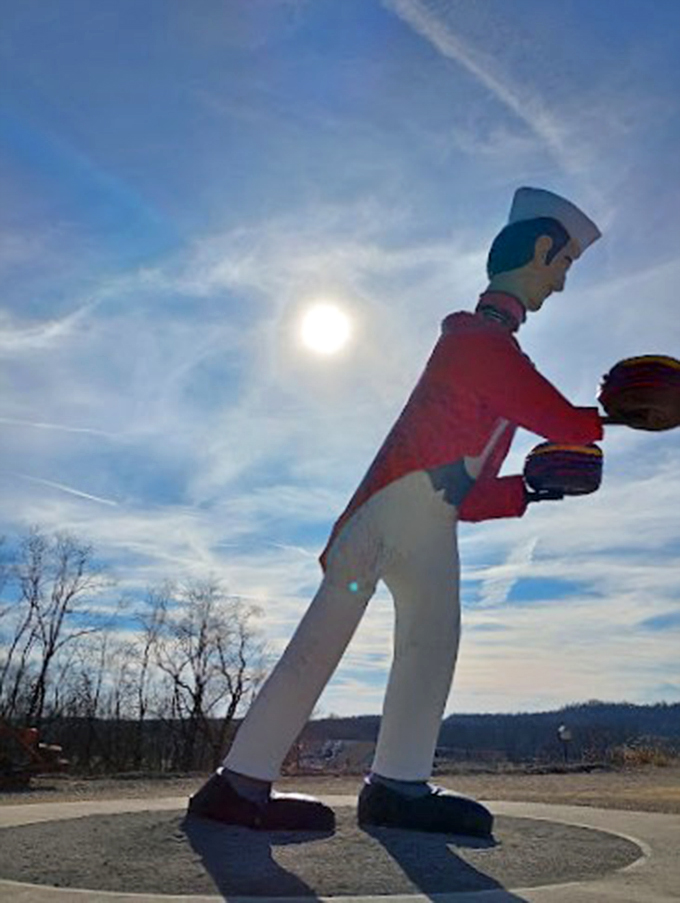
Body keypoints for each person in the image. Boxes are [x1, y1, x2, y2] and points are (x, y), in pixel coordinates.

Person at [188, 187, 604, 837]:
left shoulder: (491, 351)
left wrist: (529, 489)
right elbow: (558, 418)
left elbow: (464, 492)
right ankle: (238, 784)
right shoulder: (474, 342)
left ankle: (397, 786)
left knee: (431, 645)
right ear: (542, 249)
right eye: (564, 264)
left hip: (428, 521)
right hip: (387, 511)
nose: (561, 283)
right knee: (319, 647)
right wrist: (617, 413)